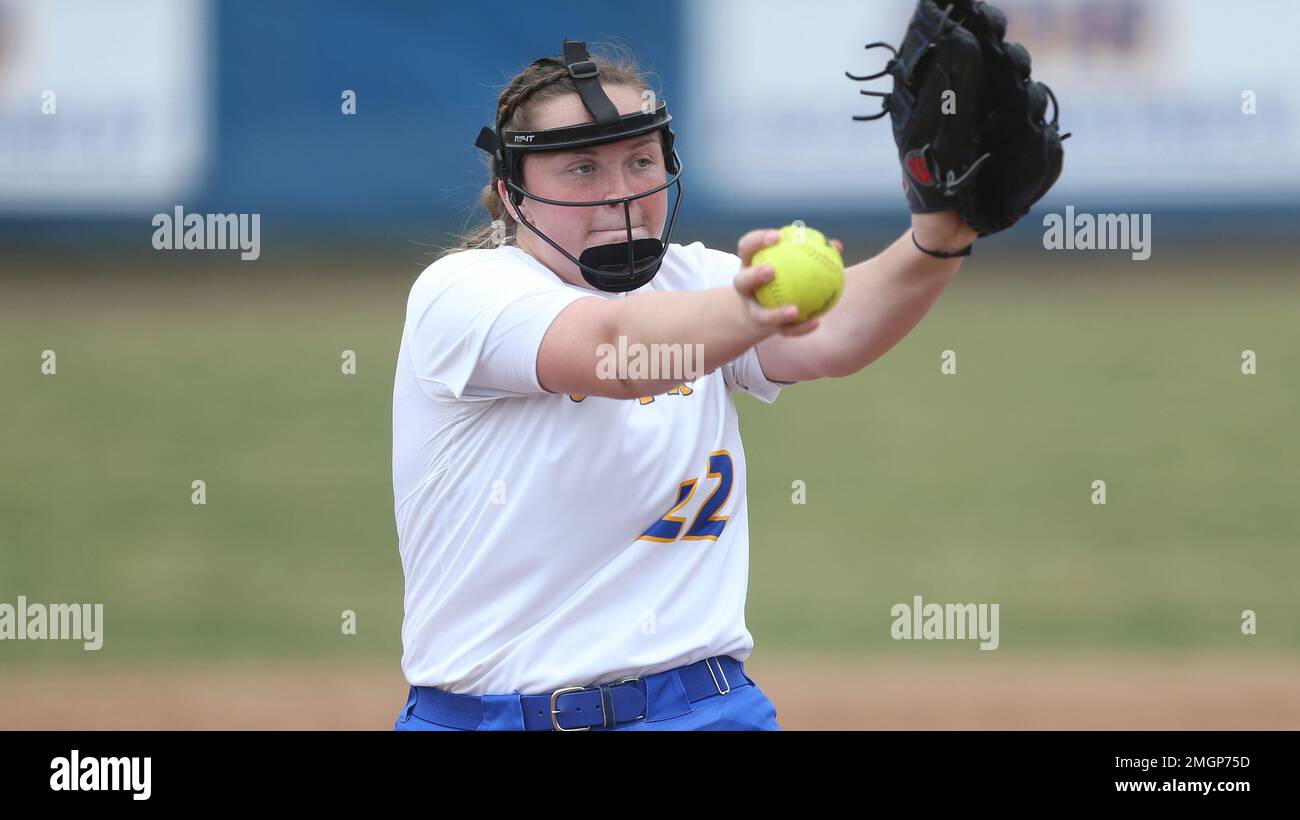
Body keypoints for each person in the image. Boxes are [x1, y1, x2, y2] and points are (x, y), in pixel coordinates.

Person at [391, 39, 978, 731]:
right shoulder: (465, 291)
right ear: (514, 194)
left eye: (639, 161)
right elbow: (615, 352)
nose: (621, 194)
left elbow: (835, 332)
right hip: (487, 718)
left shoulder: (692, 279)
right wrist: (753, 307)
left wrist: (940, 237)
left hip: (702, 710)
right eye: (582, 167)